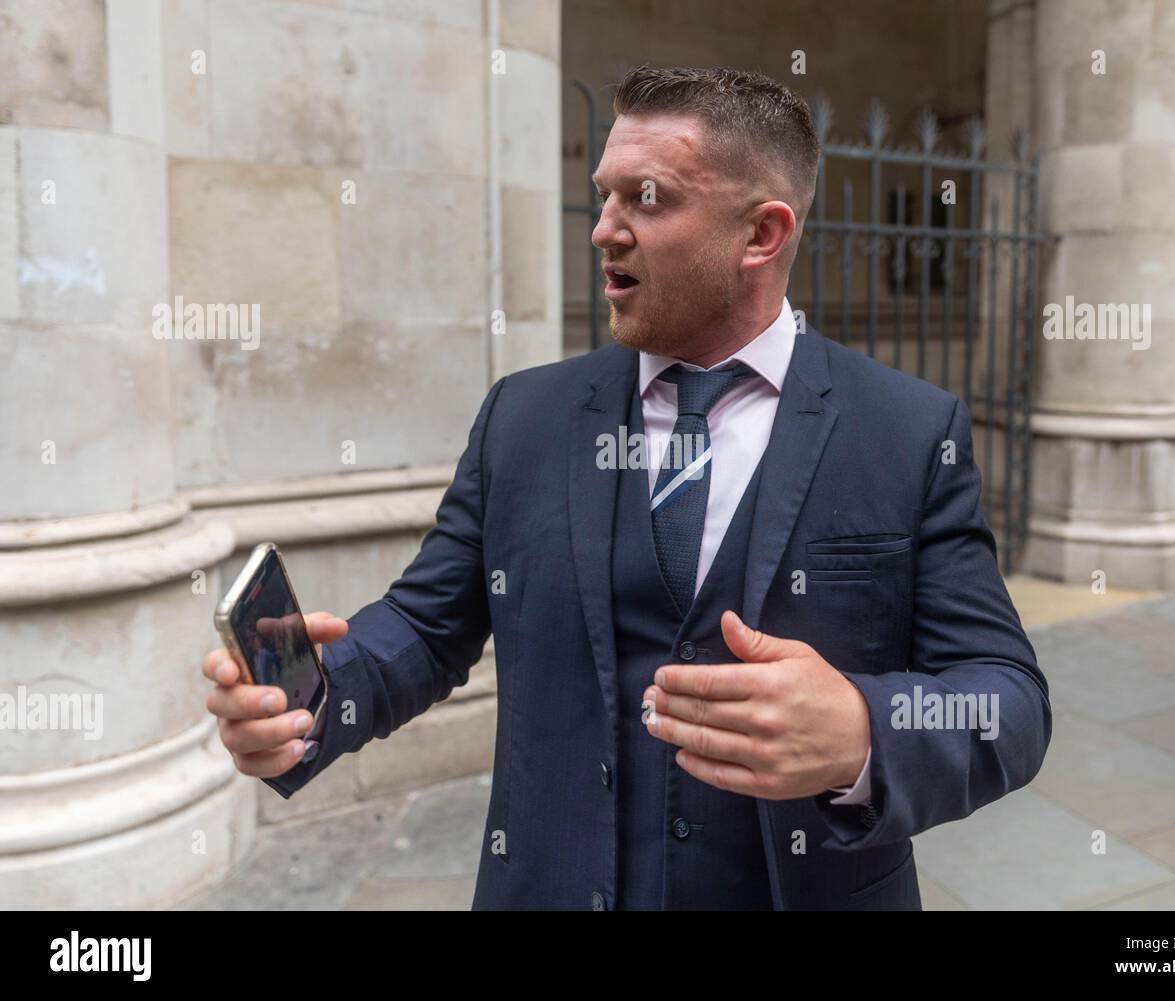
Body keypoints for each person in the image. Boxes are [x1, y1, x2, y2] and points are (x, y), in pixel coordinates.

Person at [201, 65, 1051, 910]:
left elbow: (1007, 701)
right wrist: (314, 699)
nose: (605, 229)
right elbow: (426, 626)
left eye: (645, 198)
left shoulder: (906, 430)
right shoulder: (523, 417)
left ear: (761, 233)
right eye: (604, 195)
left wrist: (865, 730)